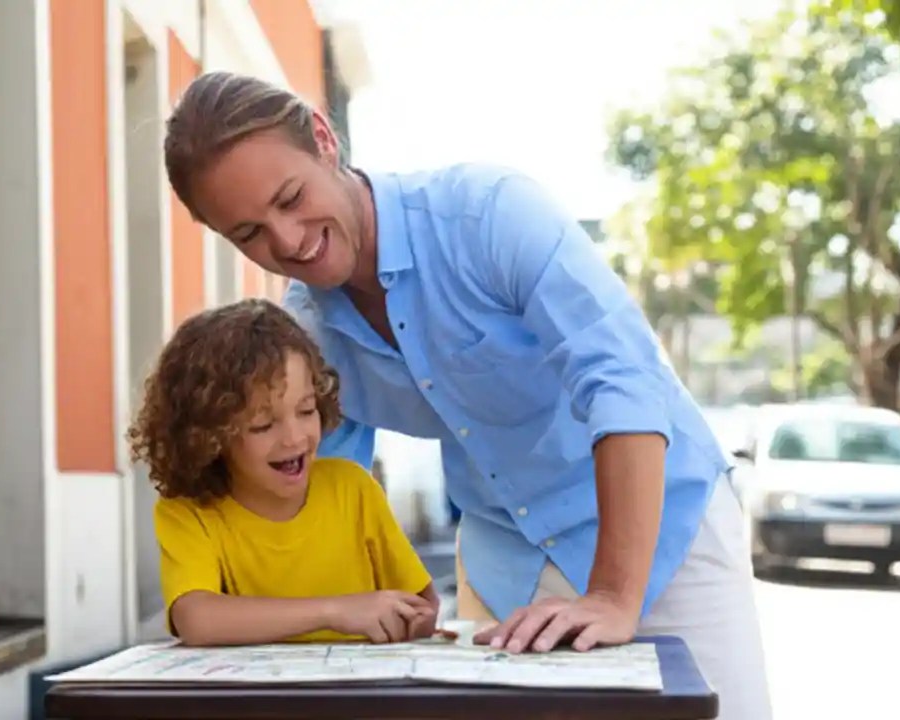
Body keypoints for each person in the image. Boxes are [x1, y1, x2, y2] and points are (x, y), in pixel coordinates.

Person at [162, 71, 772, 717]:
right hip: (508, 567)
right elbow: (319, 494)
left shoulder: (491, 216)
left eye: (290, 197)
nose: (286, 242)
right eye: (249, 234)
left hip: (661, 534)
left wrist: (612, 597)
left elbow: (621, 382)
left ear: (323, 138)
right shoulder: (307, 336)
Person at [127, 298, 440, 646]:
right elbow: (197, 619)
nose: (294, 438)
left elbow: (423, 604)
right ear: (208, 436)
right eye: (263, 425)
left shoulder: (353, 489)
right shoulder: (188, 512)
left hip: (357, 696)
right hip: (256, 700)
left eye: (306, 410)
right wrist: (334, 611)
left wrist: (413, 621)